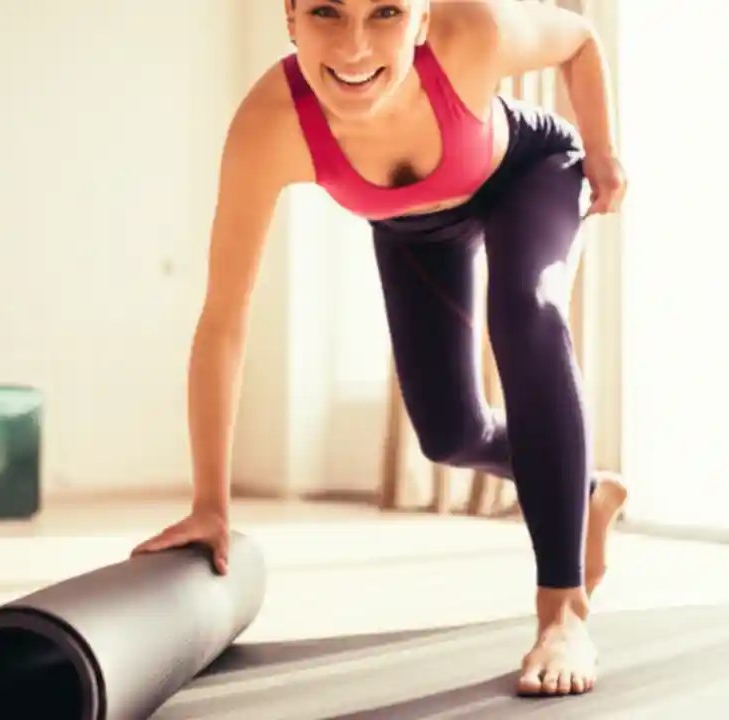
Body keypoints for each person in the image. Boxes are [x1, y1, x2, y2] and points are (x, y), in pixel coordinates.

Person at [132, 0, 628, 697]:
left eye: (386, 12)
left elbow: (579, 39)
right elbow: (224, 320)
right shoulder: (270, 124)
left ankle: (563, 611)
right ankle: (583, 491)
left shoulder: (472, 33)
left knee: (527, 310)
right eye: (328, 13)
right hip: (415, 231)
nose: (356, 47)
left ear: (424, 19)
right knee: (451, 435)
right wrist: (211, 503)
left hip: (528, 174)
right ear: (291, 19)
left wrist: (601, 149)